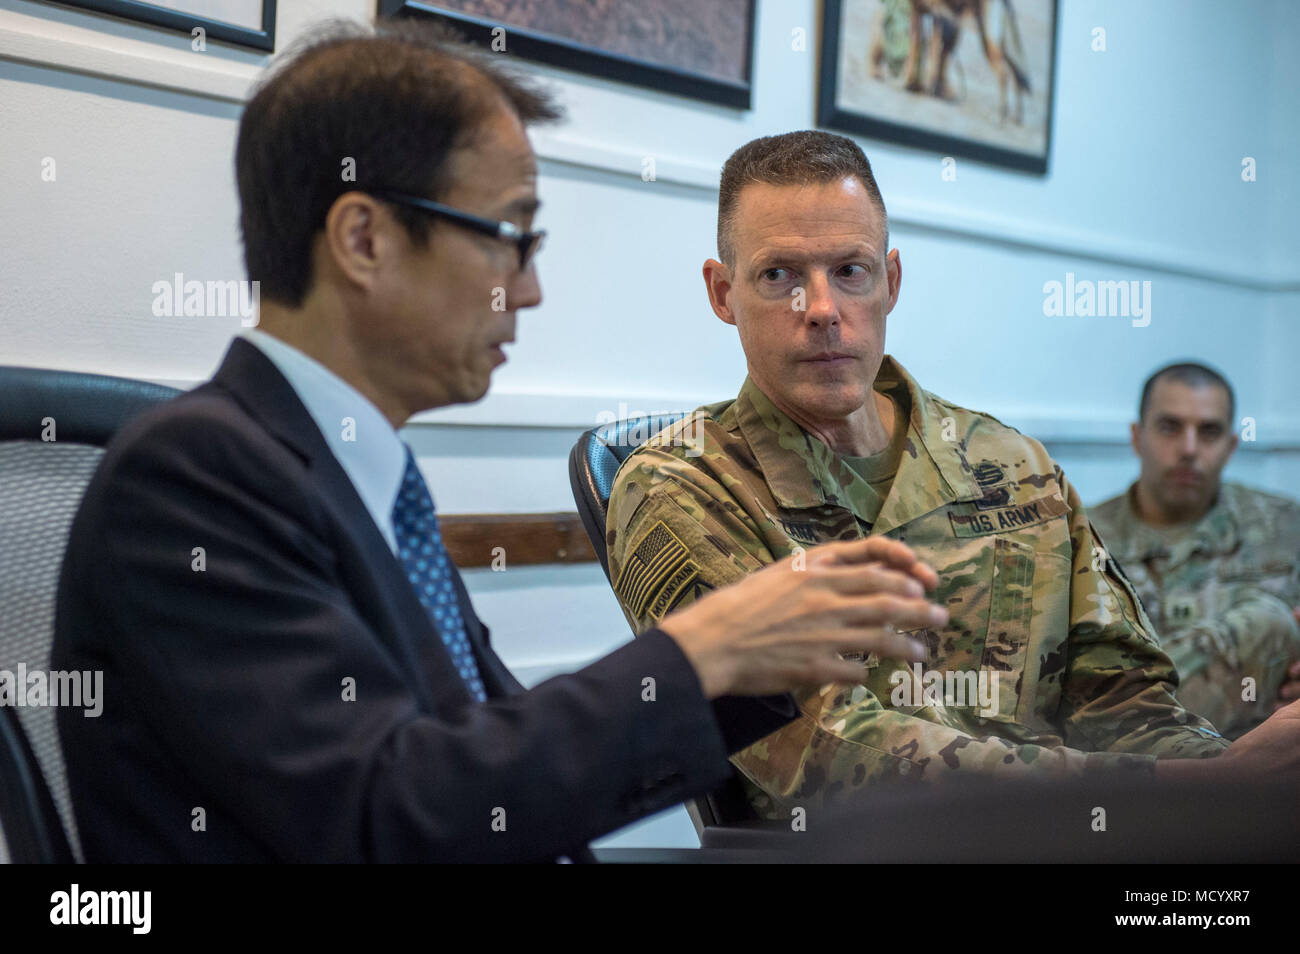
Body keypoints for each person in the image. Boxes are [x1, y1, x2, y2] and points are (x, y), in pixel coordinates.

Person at [50, 21, 948, 863]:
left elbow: (492, 762)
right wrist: (702, 647)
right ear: (364, 239)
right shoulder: (191, 480)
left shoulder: (360, 473)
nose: (529, 290)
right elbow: (387, 816)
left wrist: (762, 665)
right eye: (511, 238)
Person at [605, 130, 1300, 821]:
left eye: (850, 271)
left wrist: (1230, 779)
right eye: (778, 275)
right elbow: (826, 750)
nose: (820, 310)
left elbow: (1125, 699)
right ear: (723, 293)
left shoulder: (1014, 465)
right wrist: (1195, 790)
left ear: (891, 281)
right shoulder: (681, 486)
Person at [1090, 363, 1300, 738]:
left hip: (1263, 766)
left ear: (1231, 446)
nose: (1188, 449)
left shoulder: (1287, 529)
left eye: (1209, 432)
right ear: (1137, 437)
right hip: (1121, 765)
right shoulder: (1080, 540)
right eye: (1170, 428)